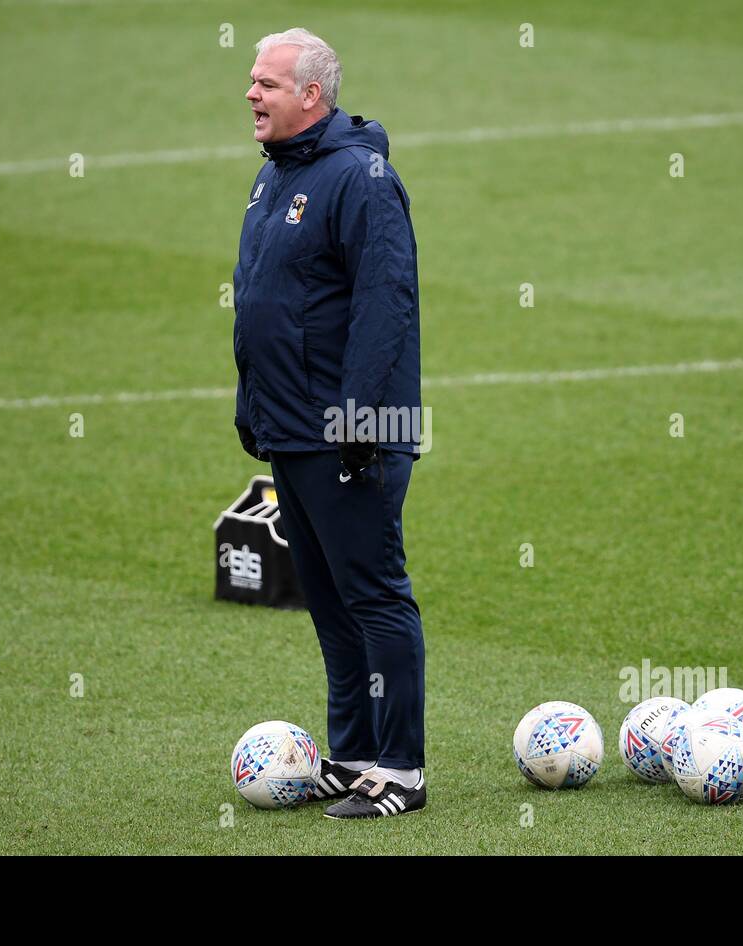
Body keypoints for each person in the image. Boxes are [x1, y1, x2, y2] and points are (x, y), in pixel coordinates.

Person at [232, 28, 425, 819]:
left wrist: (359, 417)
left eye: (267, 84)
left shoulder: (361, 179)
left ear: (311, 95)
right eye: (251, 80)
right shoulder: (275, 175)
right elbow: (266, 301)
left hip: (352, 430)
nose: (250, 93)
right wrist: (253, 406)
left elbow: (386, 306)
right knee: (327, 597)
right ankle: (350, 756)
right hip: (292, 427)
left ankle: (403, 772)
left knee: (374, 595)